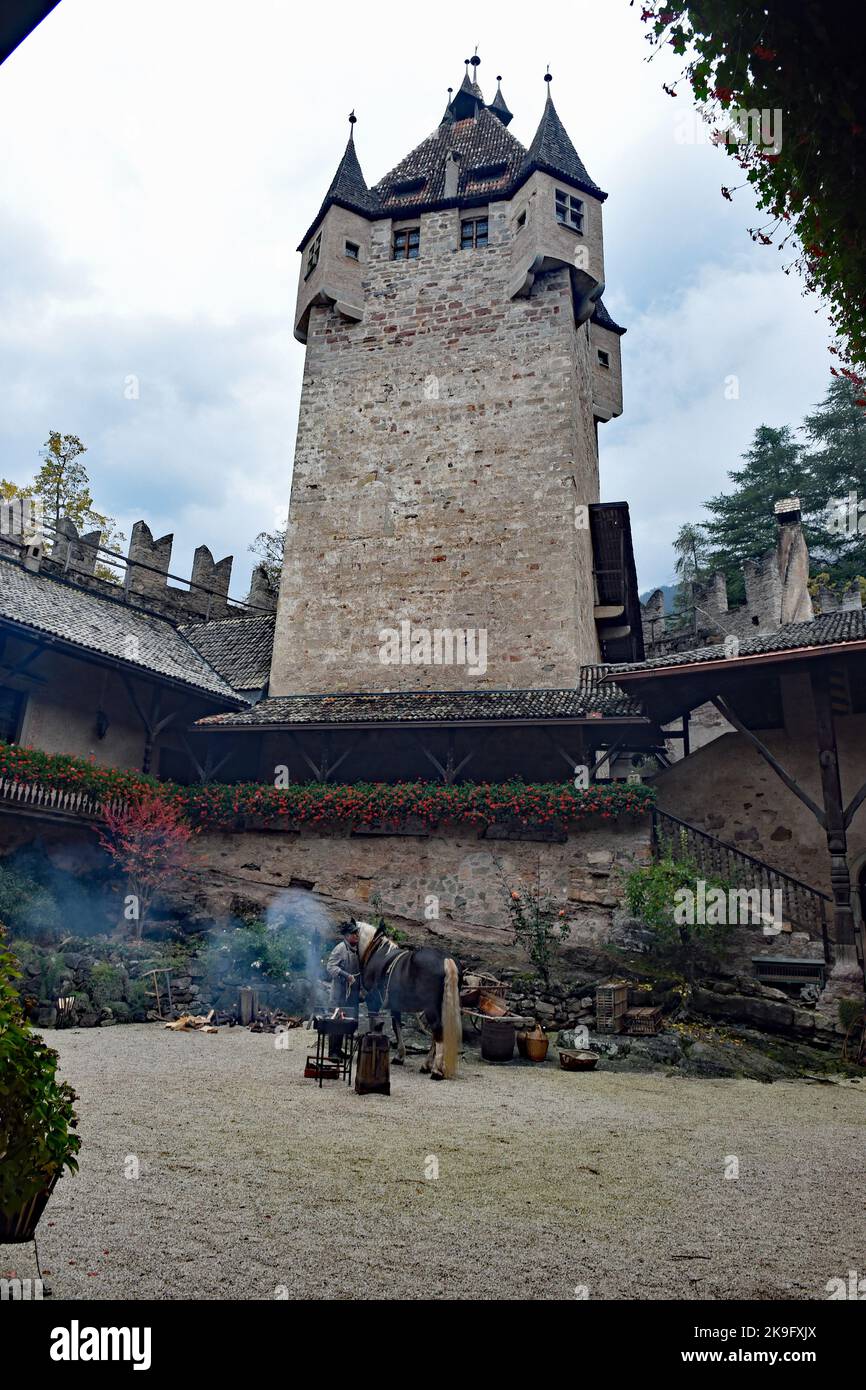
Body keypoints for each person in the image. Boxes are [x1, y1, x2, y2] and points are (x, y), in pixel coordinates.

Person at [325, 921, 360, 1058]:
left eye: (357, 933)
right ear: (346, 936)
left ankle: (338, 1050)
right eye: (354, 933)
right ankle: (333, 1052)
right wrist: (346, 976)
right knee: (336, 1021)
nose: (357, 935)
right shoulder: (340, 948)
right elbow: (330, 967)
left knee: (345, 1022)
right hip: (339, 992)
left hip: (350, 993)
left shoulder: (356, 949)